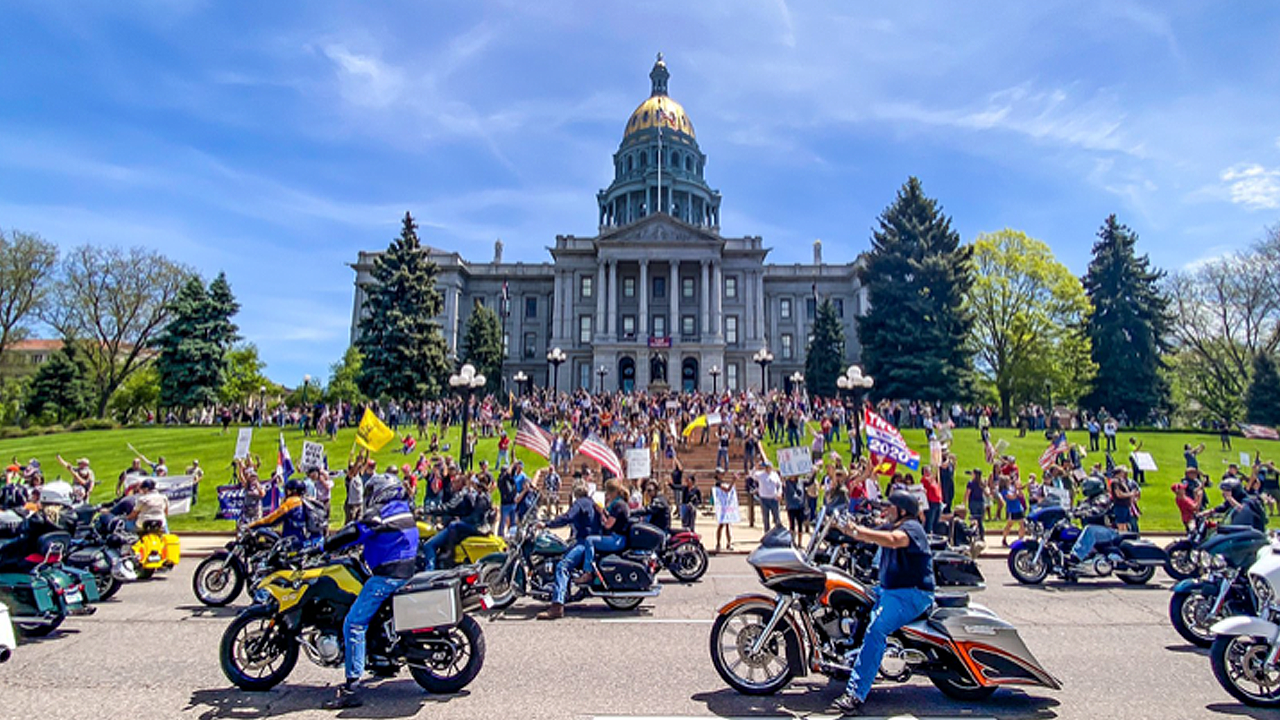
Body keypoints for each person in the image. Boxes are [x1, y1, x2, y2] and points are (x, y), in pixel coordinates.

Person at [833, 491, 935, 715]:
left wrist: (860, 531)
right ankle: (846, 657)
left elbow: (893, 541)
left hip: (911, 594)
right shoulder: (893, 526)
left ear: (902, 511)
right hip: (889, 590)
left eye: (891, 506)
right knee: (854, 596)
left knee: (876, 629)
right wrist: (842, 527)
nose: (886, 510)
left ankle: (855, 694)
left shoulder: (911, 528)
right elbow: (868, 535)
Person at [323, 475, 419, 709]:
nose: (368, 496)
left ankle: (352, 687)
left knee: (354, 623)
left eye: (371, 491)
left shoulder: (381, 513)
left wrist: (325, 545)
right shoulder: (401, 508)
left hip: (388, 576)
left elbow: (355, 532)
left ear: (382, 491)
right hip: (402, 570)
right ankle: (381, 661)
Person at [537, 483, 601, 620]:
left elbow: (568, 517)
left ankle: (557, 605)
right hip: (586, 540)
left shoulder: (580, 503)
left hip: (583, 542)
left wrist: (547, 524)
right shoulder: (591, 503)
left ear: (575, 494)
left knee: (562, 566)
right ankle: (564, 591)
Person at [421, 472, 492, 570]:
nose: (453, 482)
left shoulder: (465, 495)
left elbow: (450, 508)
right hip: (474, 525)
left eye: (456, 481)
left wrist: (427, 511)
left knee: (429, 545)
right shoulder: (476, 495)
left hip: (472, 526)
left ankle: (428, 573)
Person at [247, 478, 314, 547]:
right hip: (302, 538)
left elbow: (271, 520)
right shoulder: (305, 501)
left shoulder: (292, 502)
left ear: (292, 491)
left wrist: (252, 525)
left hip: (290, 541)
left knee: (262, 533)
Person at [713, 474, 739, 552]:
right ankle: (718, 543)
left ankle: (729, 542)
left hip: (726, 505)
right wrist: (733, 481)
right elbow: (727, 489)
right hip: (722, 506)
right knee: (721, 525)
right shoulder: (718, 484)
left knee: (728, 524)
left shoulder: (723, 482)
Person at [754, 460, 782, 533]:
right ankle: (767, 533)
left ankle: (778, 532)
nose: (767, 468)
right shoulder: (760, 474)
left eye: (768, 467)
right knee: (765, 517)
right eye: (766, 467)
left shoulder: (775, 475)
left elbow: (779, 485)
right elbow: (752, 474)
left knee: (776, 516)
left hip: (774, 498)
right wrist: (756, 467)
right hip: (764, 499)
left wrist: (779, 493)